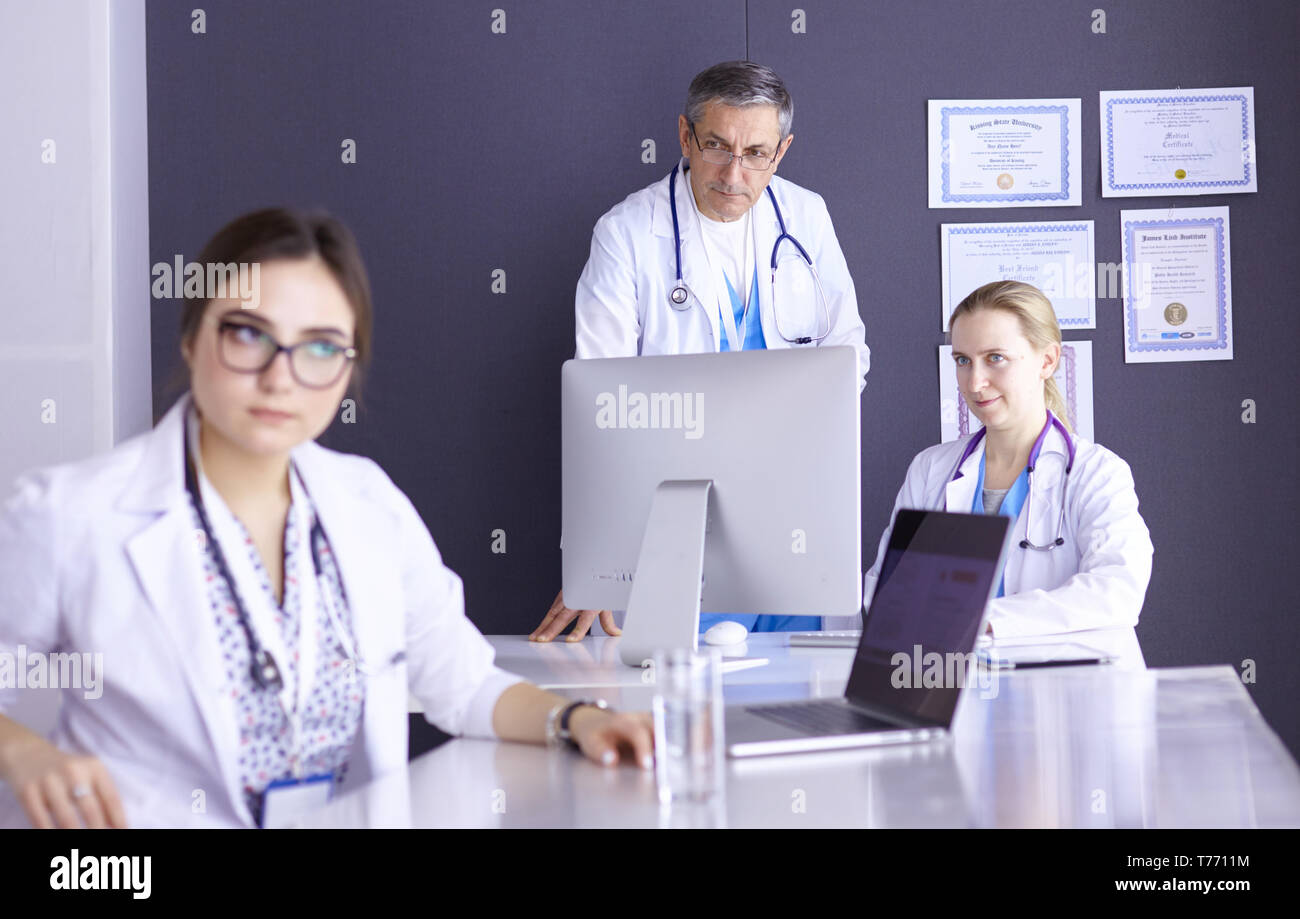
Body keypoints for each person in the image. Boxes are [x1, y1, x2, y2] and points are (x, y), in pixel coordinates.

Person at [0, 208, 653, 829]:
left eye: (320, 348)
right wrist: (23, 750)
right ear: (193, 336)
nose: (280, 377)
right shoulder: (69, 516)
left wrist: (576, 721)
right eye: (249, 334)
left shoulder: (367, 504)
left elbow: (464, 684)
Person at [532, 60, 870, 642]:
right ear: (685, 137)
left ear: (781, 151)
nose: (734, 174)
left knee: (793, 699)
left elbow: (847, 357)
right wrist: (604, 561)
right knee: (681, 708)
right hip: (672, 528)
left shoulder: (806, 216)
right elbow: (603, 405)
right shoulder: (628, 234)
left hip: (793, 515)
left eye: (756, 153)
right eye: (716, 146)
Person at [864, 280, 1153, 642]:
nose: (974, 382)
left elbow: (1117, 590)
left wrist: (983, 619)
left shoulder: (1097, 473)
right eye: (963, 361)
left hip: (1060, 685)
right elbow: (887, 591)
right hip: (947, 685)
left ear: (1047, 360)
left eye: (995, 358)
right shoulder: (930, 470)